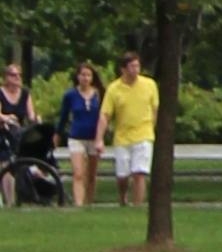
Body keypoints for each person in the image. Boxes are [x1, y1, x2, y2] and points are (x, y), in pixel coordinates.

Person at [99, 43, 159, 212]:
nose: (135, 69)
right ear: (123, 69)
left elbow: (155, 109)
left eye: (137, 66)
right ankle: (122, 197)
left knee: (139, 173)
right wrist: (99, 138)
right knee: (123, 175)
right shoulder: (114, 89)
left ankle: (137, 206)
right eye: (131, 66)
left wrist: (151, 129)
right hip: (123, 137)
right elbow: (105, 115)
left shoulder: (149, 85)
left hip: (144, 134)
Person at [56, 58, 103, 206]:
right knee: (78, 173)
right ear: (77, 76)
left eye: (88, 75)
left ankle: (89, 202)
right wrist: (58, 133)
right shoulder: (70, 95)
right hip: (76, 136)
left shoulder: (99, 94)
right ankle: (78, 204)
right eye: (83, 75)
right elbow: (64, 116)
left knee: (91, 174)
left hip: (94, 137)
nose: (85, 78)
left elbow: (104, 116)